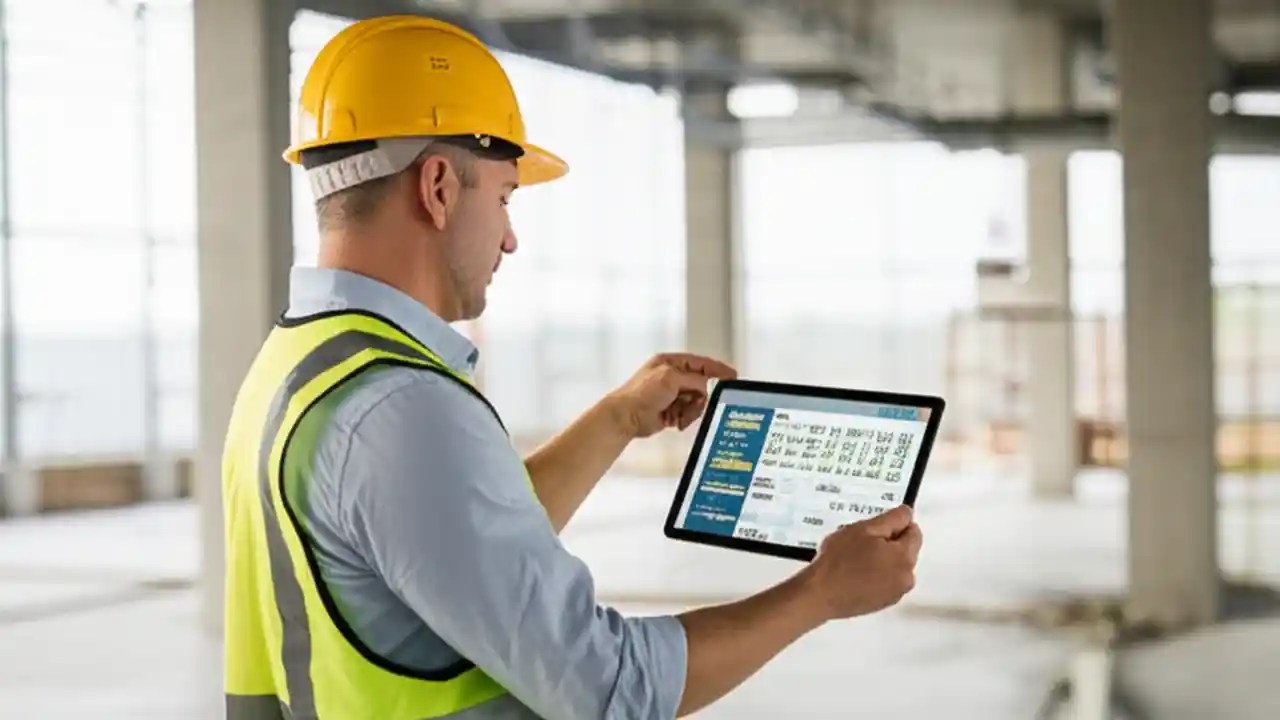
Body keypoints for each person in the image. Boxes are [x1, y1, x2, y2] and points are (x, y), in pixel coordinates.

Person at [221, 14, 924, 720]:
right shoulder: (402, 408)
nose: (511, 237)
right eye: (503, 197)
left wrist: (618, 419)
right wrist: (821, 592)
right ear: (437, 187)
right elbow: (607, 686)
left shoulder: (294, 369)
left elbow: (457, 548)